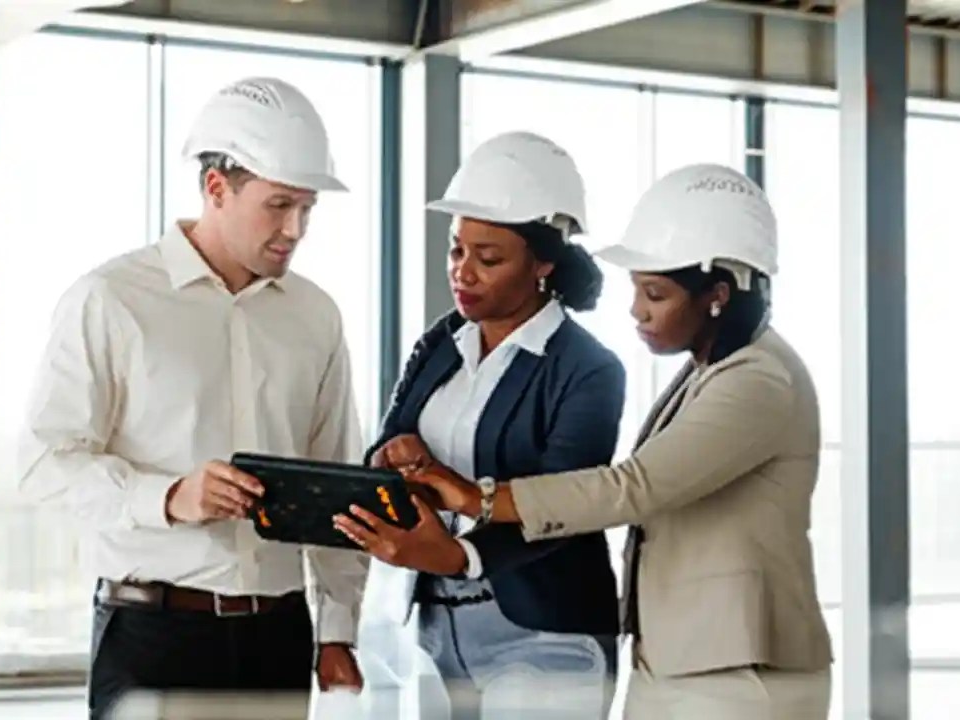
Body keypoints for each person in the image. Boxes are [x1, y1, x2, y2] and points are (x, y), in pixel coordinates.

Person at [339, 163, 834, 719]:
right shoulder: (709, 369)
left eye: (655, 293)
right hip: (676, 654)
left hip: (732, 662)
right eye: (458, 250)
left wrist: (471, 502)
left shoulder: (757, 379)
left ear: (717, 294)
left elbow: (630, 488)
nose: (636, 311)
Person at [17, 76, 369, 719]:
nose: (296, 229)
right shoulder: (111, 299)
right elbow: (44, 464)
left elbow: (336, 481)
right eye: (279, 205)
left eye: (308, 208)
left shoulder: (316, 316)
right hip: (153, 634)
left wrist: (338, 627)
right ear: (216, 189)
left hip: (278, 637)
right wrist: (170, 498)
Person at [363, 131, 626, 719]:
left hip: (545, 634)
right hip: (436, 630)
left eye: (488, 259)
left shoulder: (588, 369)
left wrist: (460, 557)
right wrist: (390, 457)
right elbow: (383, 445)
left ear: (543, 263)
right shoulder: (440, 341)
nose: (464, 272)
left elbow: (563, 505)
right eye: (456, 250)